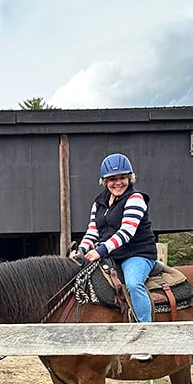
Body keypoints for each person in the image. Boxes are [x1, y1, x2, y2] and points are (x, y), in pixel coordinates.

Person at [71, 152, 157, 360]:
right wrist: (82, 251)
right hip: (112, 255)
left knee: (134, 283)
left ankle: (147, 339)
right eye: (112, 179)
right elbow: (93, 231)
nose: (117, 183)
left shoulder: (136, 199)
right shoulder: (99, 202)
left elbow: (126, 232)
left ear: (130, 178)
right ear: (104, 181)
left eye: (122, 178)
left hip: (137, 253)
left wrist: (99, 251)